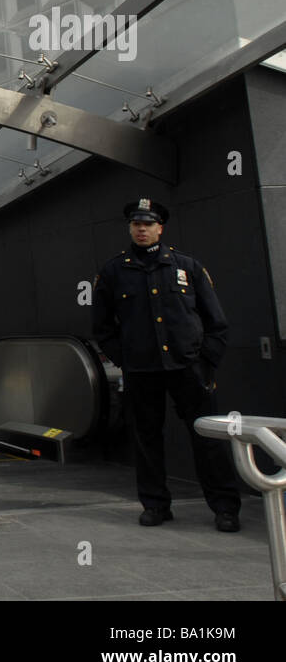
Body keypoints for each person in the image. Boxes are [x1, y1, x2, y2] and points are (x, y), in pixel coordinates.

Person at [92, 198, 241, 532]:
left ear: (160, 227)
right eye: (136, 224)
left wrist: (206, 363)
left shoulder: (187, 266)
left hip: (188, 367)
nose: (142, 229)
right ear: (130, 228)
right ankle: (156, 505)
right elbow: (102, 327)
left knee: (208, 438)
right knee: (146, 440)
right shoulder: (114, 271)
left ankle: (225, 507)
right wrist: (126, 358)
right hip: (142, 370)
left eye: (148, 224)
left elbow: (216, 322)